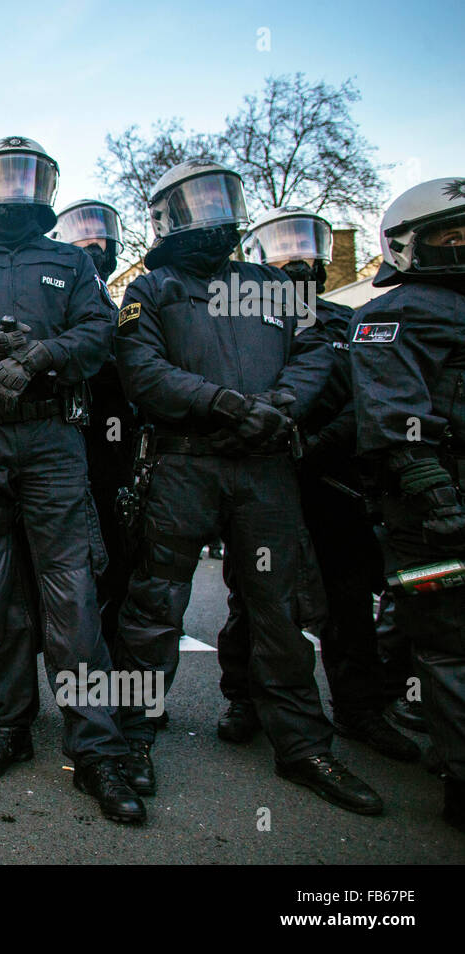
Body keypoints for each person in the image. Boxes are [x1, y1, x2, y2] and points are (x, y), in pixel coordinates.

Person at [112, 160, 382, 815]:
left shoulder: (274, 286)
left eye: (219, 197)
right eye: (196, 201)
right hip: (183, 465)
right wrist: (225, 404)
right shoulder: (151, 289)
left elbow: (316, 355)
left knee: (279, 609)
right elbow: (142, 371)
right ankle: (132, 737)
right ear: (167, 216)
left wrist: (282, 403)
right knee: (155, 607)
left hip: (265, 466)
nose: (212, 211)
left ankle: (303, 746)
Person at [0, 136, 142, 823]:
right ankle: (7, 725)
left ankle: (96, 747)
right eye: (3, 175)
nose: (14, 187)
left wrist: (37, 358)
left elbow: (100, 332)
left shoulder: (71, 262)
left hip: (50, 440)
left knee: (72, 594)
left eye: (26, 175)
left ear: (44, 186)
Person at [213, 207, 418, 762]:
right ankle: (245, 699)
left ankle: (360, 708)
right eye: (285, 250)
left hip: (334, 479)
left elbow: (374, 393)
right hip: (264, 472)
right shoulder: (243, 320)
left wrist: (324, 441)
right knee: (252, 593)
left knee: (347, 596)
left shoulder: (349, 322)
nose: (299, 261)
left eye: (307, 248)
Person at [349, 177, 465, 830]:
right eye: (452, 234)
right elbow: (393, 416)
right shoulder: (394, 313)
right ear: (409, 243)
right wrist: (434, 494)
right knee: (449, 647)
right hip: (432, 507)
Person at [51, 199, 135, 651]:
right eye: (82, 233)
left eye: (101, 233)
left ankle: (111, 654)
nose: (94, 243)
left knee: (120, 555)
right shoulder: (59, 297)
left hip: (116, 445)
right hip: (74, 441)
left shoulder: (118, 301)